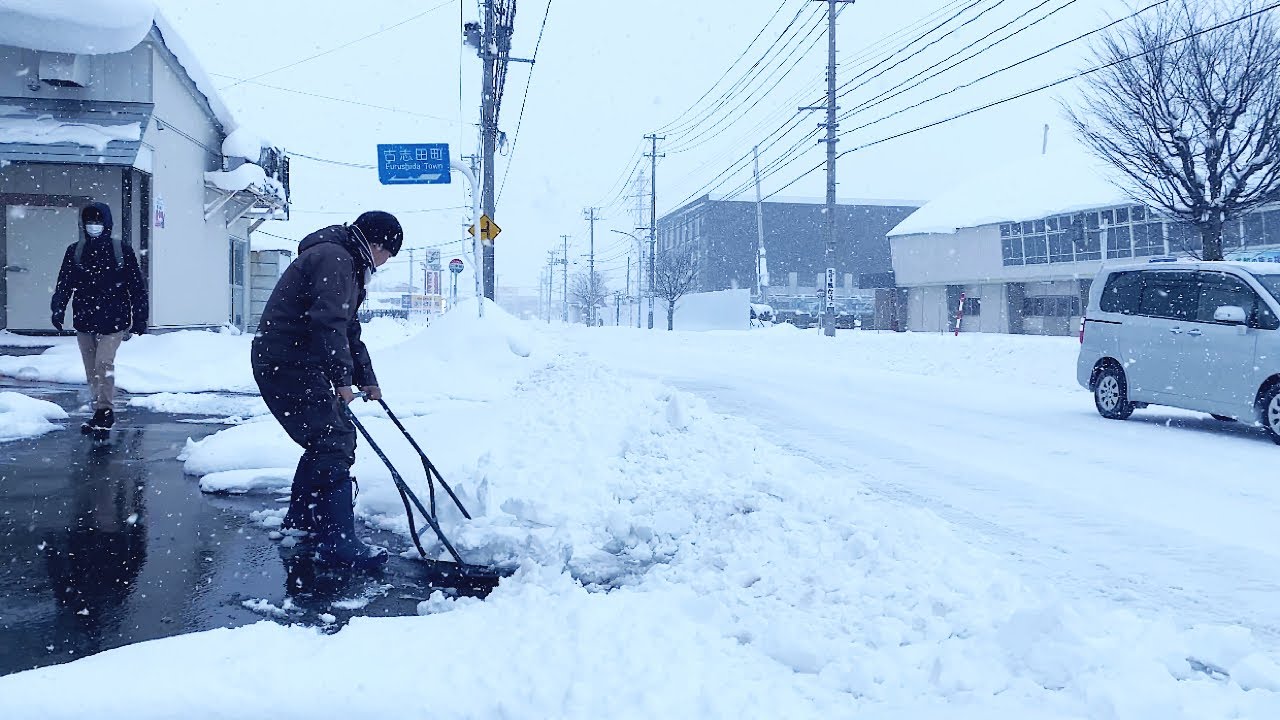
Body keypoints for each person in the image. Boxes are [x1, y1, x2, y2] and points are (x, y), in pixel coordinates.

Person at [251, 211, 402, 572]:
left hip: (290, 360)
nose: (384, 264)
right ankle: (339, 543)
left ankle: (303, 523)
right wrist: (342, 380)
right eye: (388, 255)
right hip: (287, 361)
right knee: (334, 439)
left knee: (325, 439)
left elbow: (348, 327)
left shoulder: (343, 259)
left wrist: (367, 377)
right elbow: (328, 323)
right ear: (377, 244)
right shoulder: (336, 259)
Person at [51, 202, 148, 434]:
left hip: (114, 319)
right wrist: (58, 308)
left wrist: (140, 317)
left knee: (103, 363)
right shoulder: (75, 251)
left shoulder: (121, 250)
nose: (93, 226)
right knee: (91, 368)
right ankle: (98, 410)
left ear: (107, 223)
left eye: (98, 221)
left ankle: (105, 410)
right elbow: (64, 283)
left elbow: (136, 286)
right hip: (84, 318)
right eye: (89, 222)